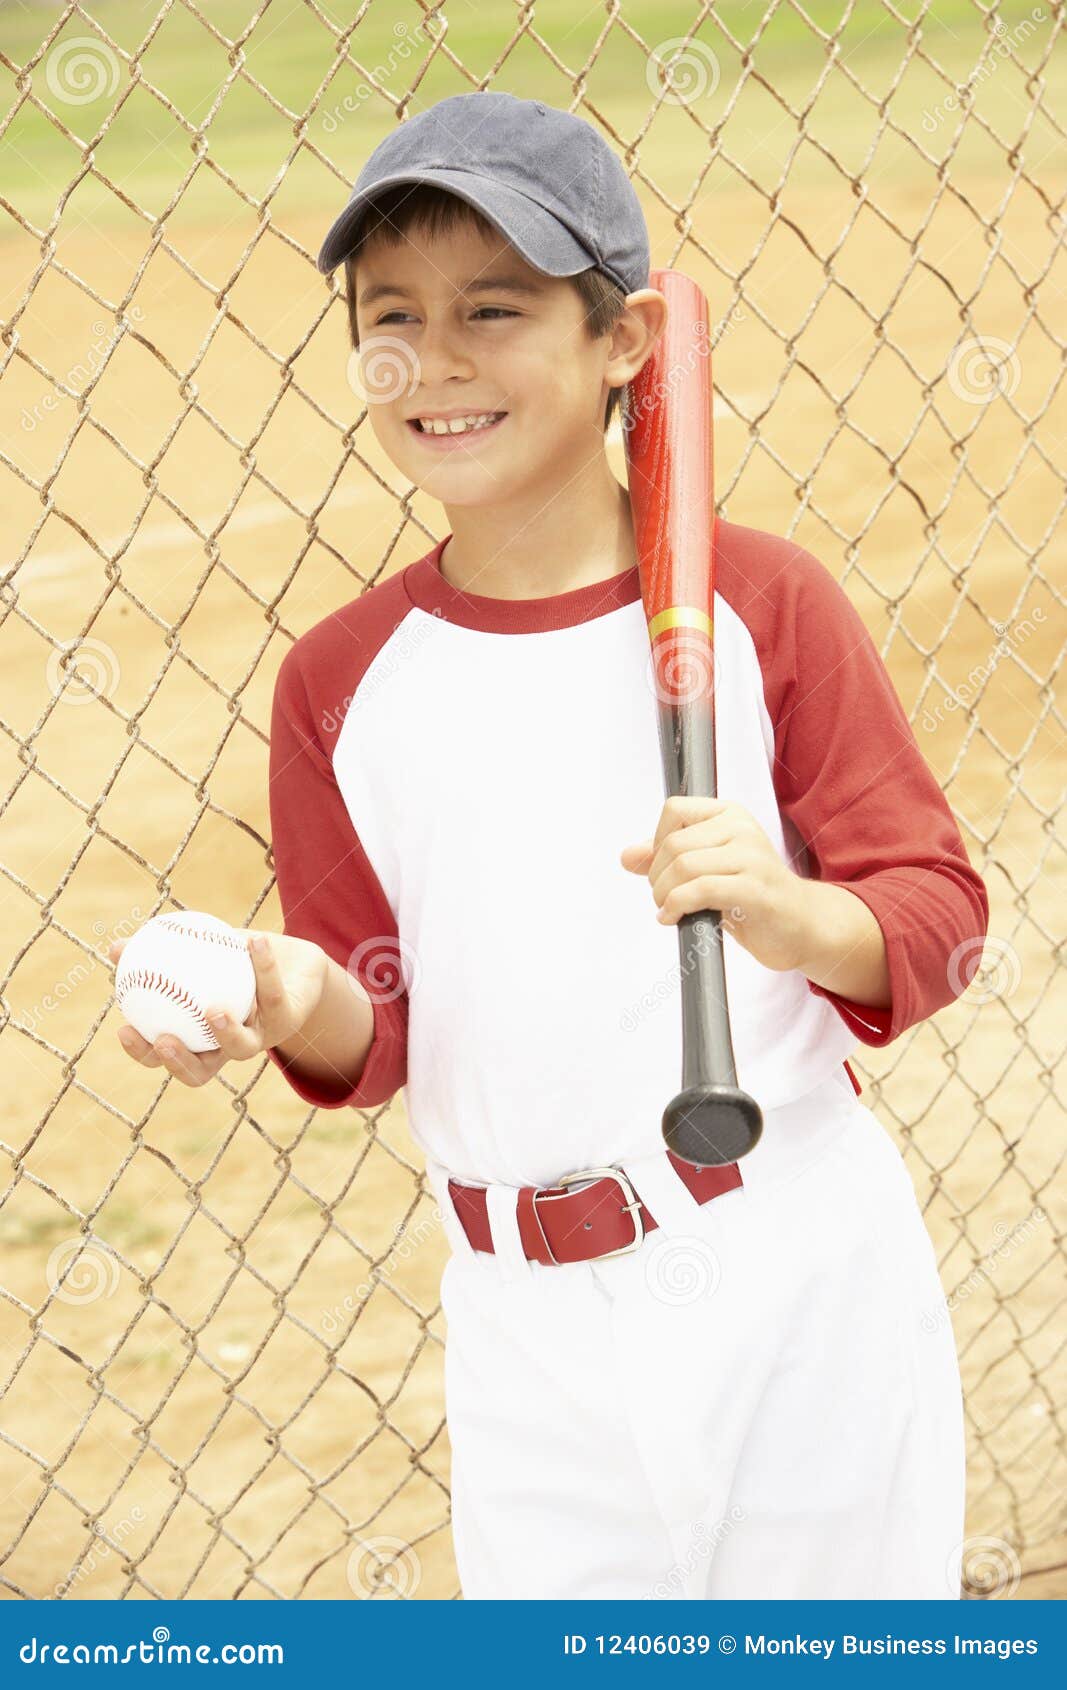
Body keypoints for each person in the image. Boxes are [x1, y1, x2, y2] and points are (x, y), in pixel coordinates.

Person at [111, 91, 989, 1600]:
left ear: (626, 342)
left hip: (787, 1276)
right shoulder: (339, 679)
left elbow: (941, 914)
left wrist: (789, 914)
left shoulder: (762, 607)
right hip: (521, 1333)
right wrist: (273, 984)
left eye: (496, 309)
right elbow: (373, 1025)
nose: (434, 362)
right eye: (392, 316)